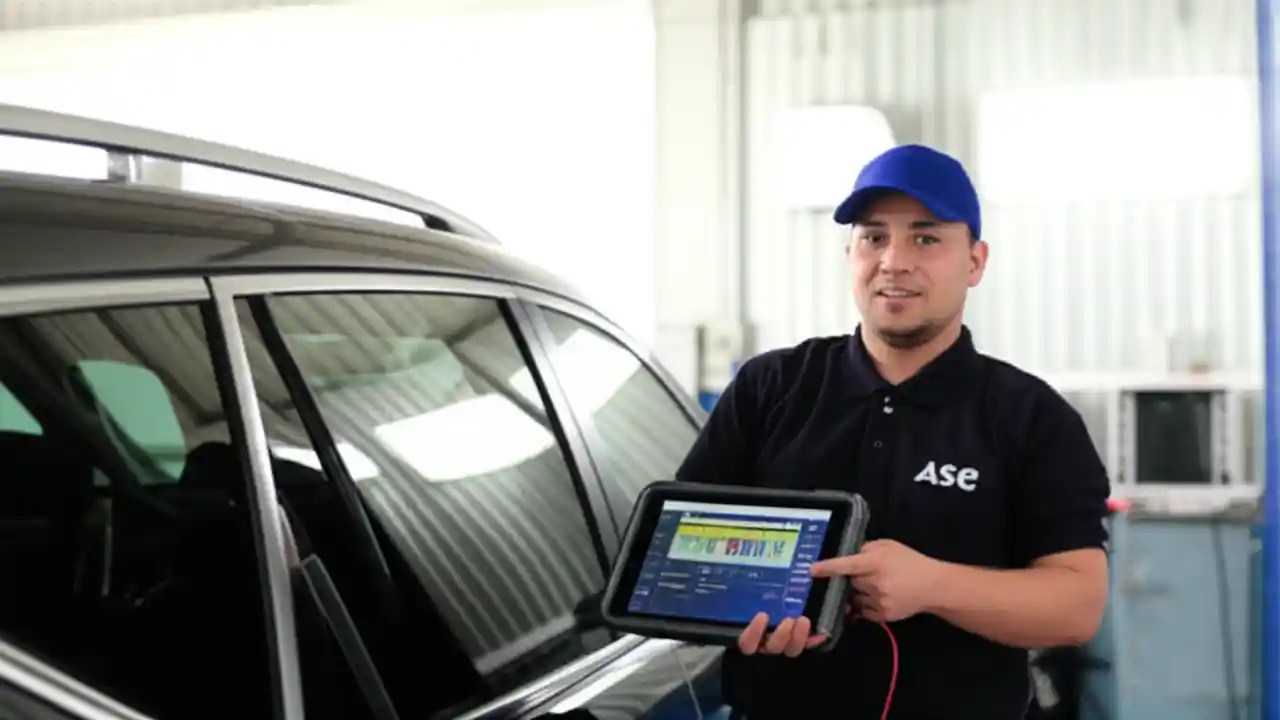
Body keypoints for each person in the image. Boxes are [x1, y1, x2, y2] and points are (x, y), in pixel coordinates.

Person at [674, 144, 1111, 719]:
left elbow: (1077, 605)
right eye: (874, 237)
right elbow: (682, 555)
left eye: (925, 238)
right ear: (850, 254)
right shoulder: (770, 388)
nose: (894, 261)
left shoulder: (1031, 417)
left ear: (975, 262)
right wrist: (742, 608)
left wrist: (931, 586)